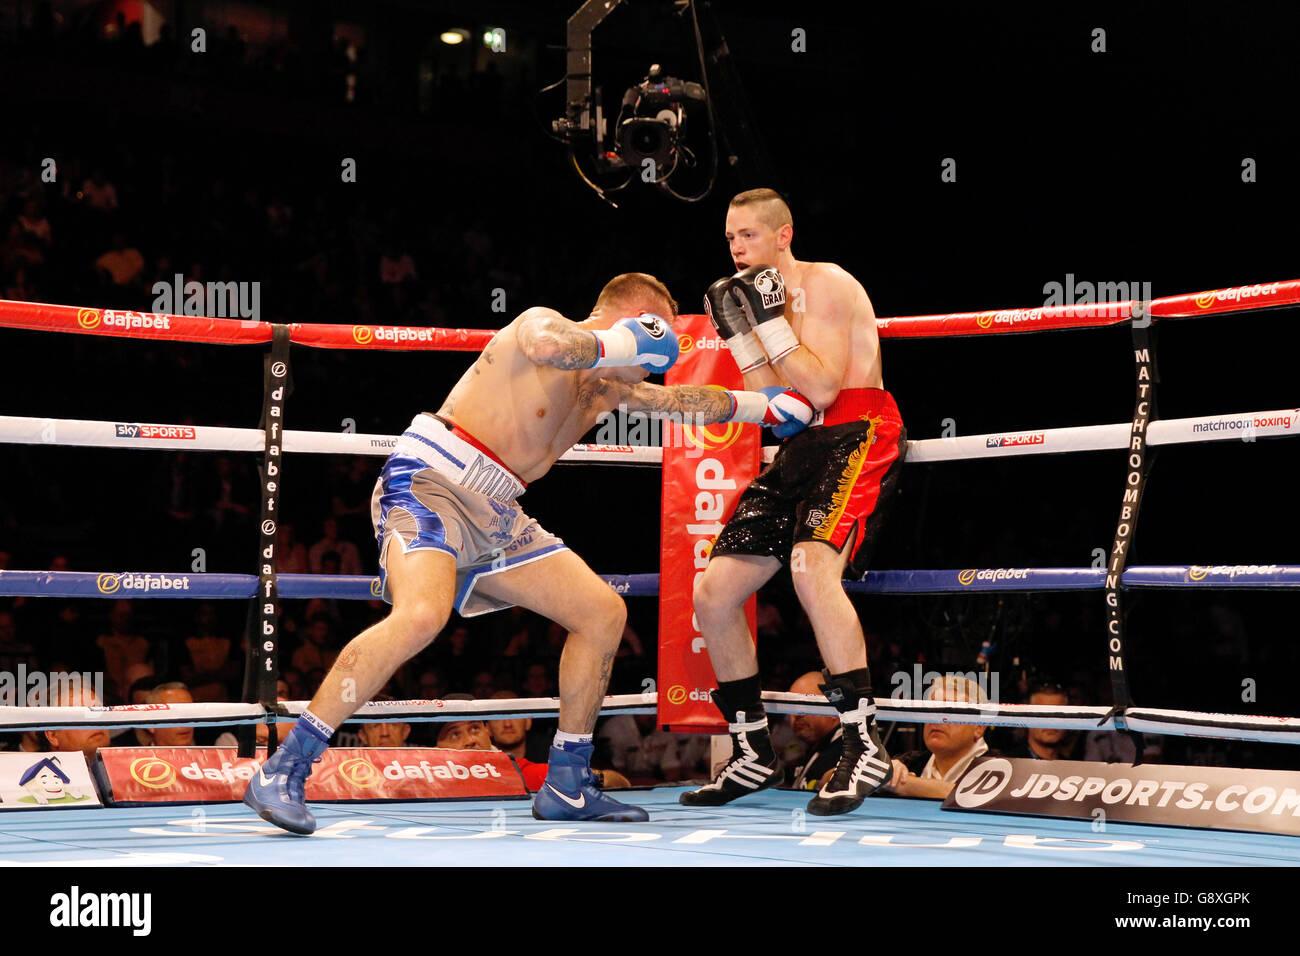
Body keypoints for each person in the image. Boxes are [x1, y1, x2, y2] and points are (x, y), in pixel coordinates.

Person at [244, 272, 812, 834]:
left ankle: (567, 781)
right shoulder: (540, 325)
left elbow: (676, 403)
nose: (660, 355)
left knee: (602, 613)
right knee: (421, 615)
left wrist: (756, 406)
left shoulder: (606, 386)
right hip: (432, 482)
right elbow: (550, 344)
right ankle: (285, 767)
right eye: (659, 334)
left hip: (498, 511)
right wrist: (627, 342)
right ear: (633, 320)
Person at [681, 188, 906, 816]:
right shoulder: (754, 300)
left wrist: (770, 323)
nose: (736, 247)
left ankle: (864, 745)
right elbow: (781, 410)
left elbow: (826, 385)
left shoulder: (828, 283)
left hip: (861, 430)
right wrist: (744, 337)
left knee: (811, 567)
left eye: (749, 235)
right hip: (801, 445)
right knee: (713, 592)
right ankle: (751, 751)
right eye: (730, 237)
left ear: (784, 236)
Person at [886, 675, 998, 799]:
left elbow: (967, 795)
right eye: (931, 710)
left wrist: (904, 784)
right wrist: (888, 771)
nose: (936, 718)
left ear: (979, 727)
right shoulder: (908, 763)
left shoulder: (1003, 769)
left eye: (950, 710)